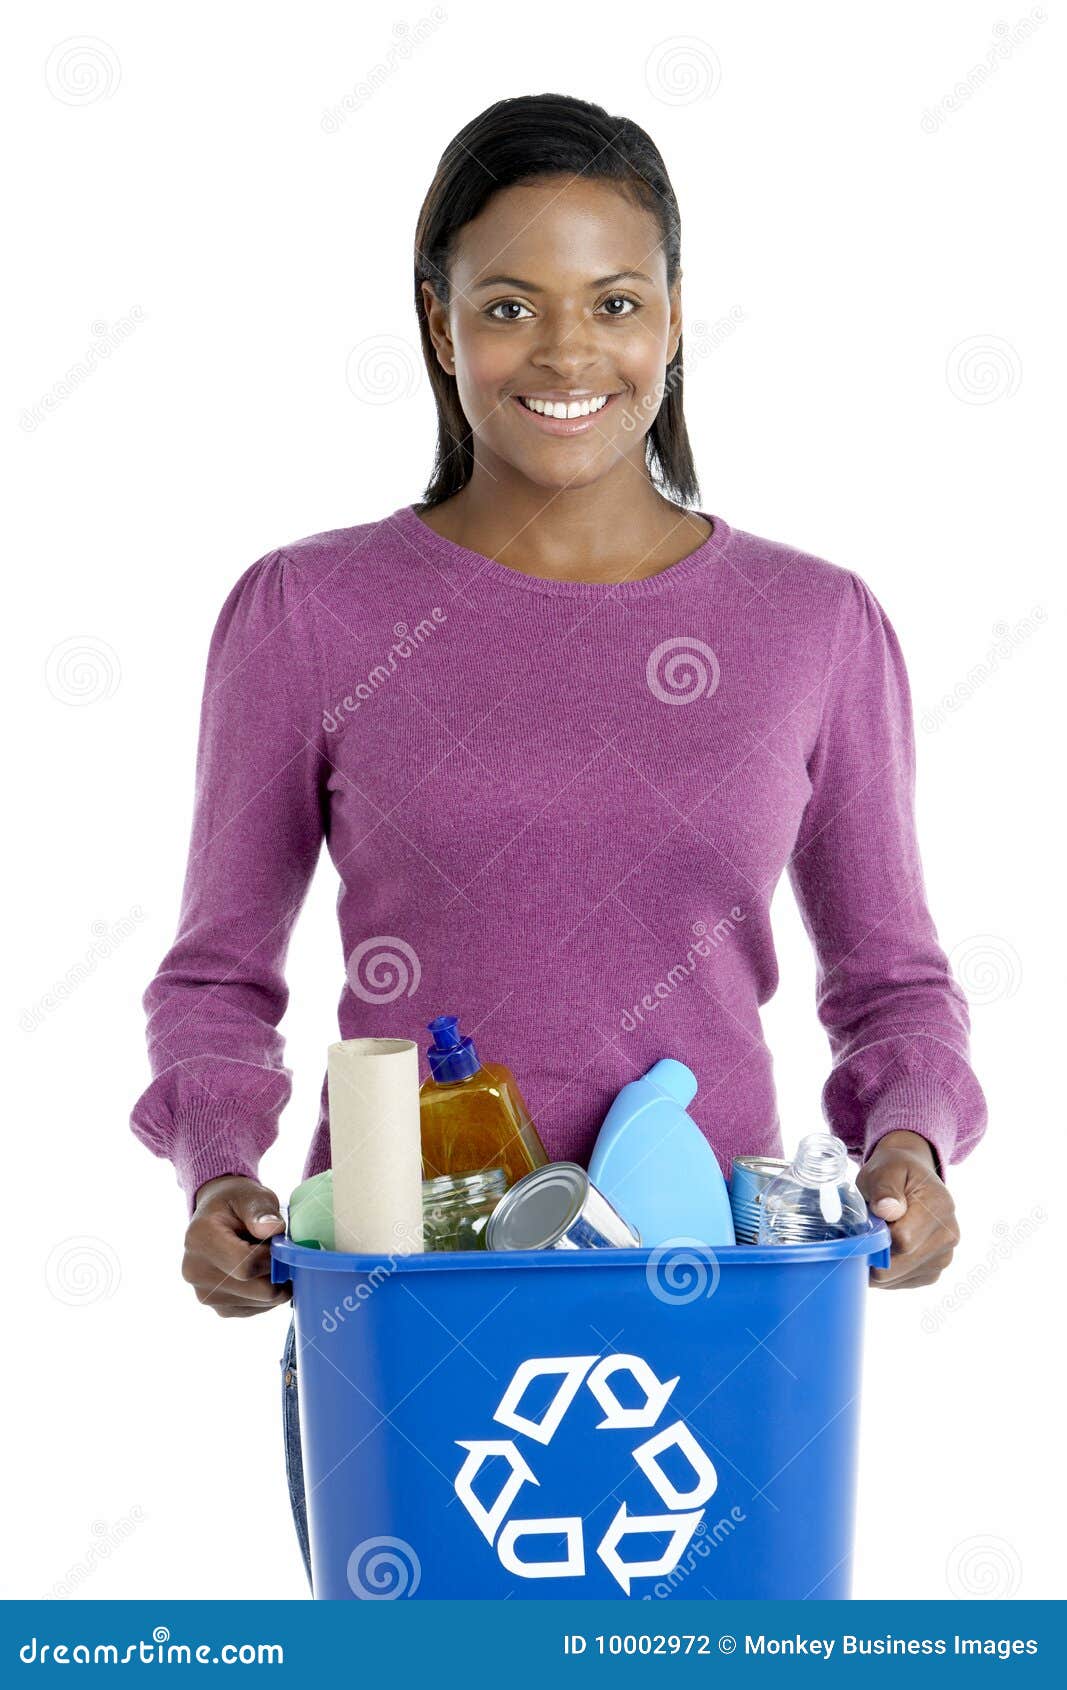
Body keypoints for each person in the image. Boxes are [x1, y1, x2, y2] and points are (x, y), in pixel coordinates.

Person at [130, 93, 987, 1593]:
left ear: (673, 319)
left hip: (725, 1305)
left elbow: (895, 980)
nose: (569, 353)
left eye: (617, 301)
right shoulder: (309, 613)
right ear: (436, 323)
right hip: (402, 1312)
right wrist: (221, 1174)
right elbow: (215, 974)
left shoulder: (810, 625)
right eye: (510, 304)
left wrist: (905, 1148)